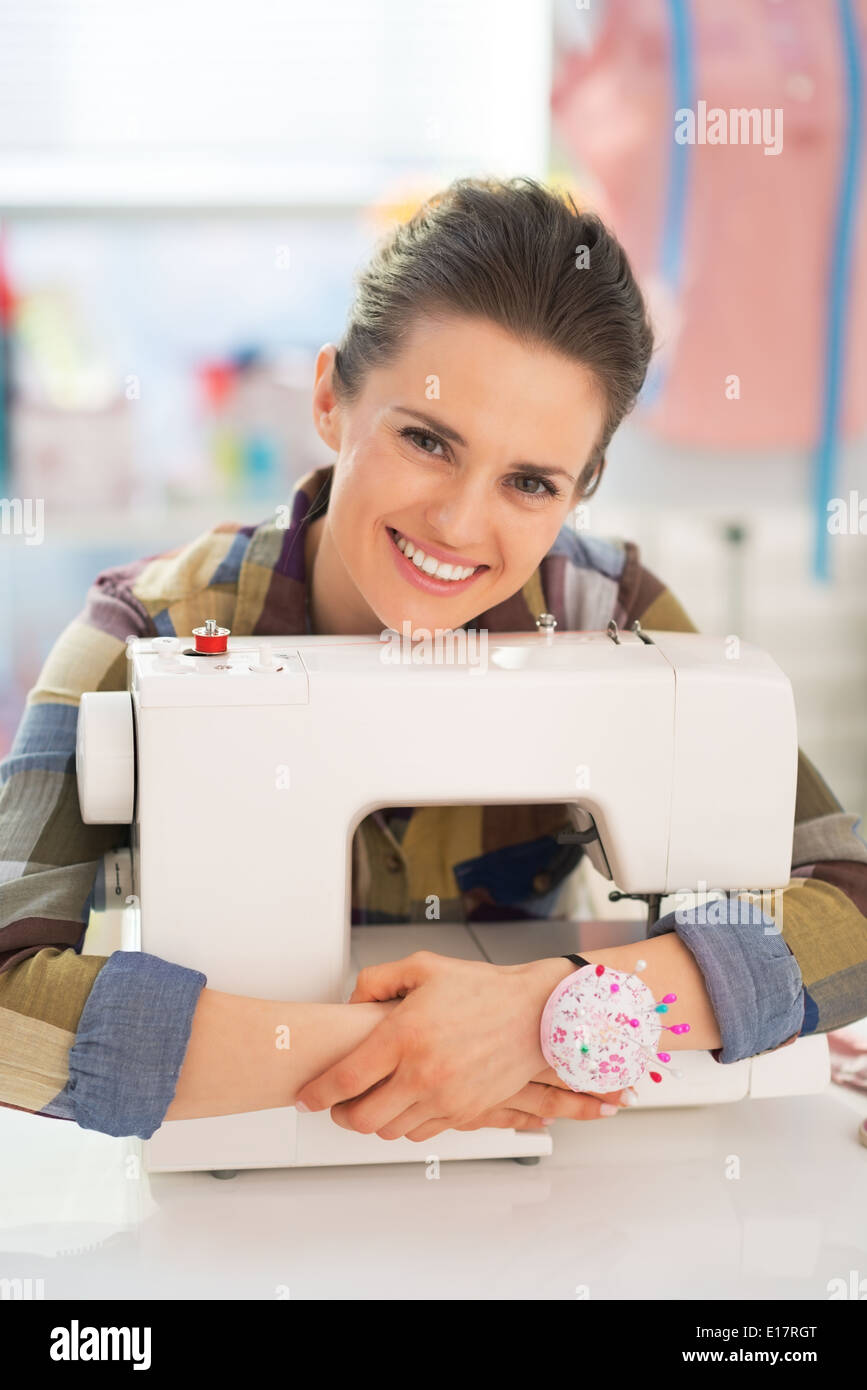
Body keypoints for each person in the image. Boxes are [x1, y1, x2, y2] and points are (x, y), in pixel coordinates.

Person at [2, 177, 865, 1147]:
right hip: (236, 1180)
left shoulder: (609, 610)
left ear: (582, 490)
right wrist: (435, 1050)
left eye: (531, 481)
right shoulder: (141, 628)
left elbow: (855, 899)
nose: (458, 523)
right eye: (426, 440)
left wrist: (550, 1012)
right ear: (331, 399)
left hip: (548, 1169)